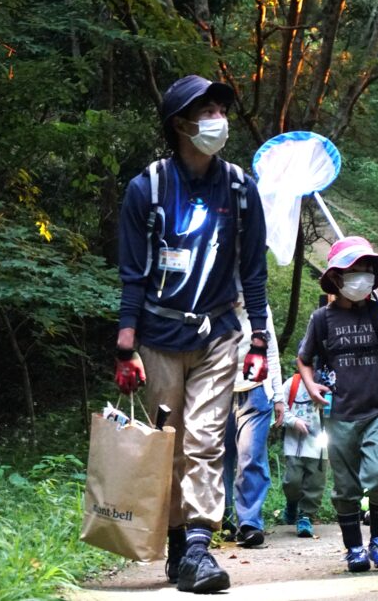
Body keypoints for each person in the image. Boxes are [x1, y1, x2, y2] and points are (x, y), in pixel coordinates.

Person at [113, 74, 268, 594]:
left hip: (220, 332)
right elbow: (132, 273)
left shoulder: (241, 189)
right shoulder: (147, 189)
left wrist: (261, 339)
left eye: (220, 109)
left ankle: (199, 547)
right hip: (158, 336)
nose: (217, 119)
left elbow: (254, 271)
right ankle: (179, 546)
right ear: (179, 123)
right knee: (170, 445)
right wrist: (126, 345)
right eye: (205, 110)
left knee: (205, 440)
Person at [297, 236, 378, 573]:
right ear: (336, 278)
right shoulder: (322, 319)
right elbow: (304, 360)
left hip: (377, 410)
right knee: (345, 487)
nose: (361, 276)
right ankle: (354, 549)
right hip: (340, 414)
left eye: (366, 270)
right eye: (353, 270)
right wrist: (311, 384)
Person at [222, 303, 286, 548]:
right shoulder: (210, 297)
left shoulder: (260, 307)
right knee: (219, 458)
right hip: (218, 388)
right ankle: (224, 521)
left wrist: (279, 396)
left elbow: (271, 352)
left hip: (257, 390)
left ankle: (249, 523)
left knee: (250, 457)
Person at [281, 372, 329, 537]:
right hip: (295, 444)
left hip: (320, 445)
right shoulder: (292, 383)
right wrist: (294, 421)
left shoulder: (329, 382)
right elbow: (280, 408)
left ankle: (306, 516)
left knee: (316, 484)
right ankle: (292, 503)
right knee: (291, 481)